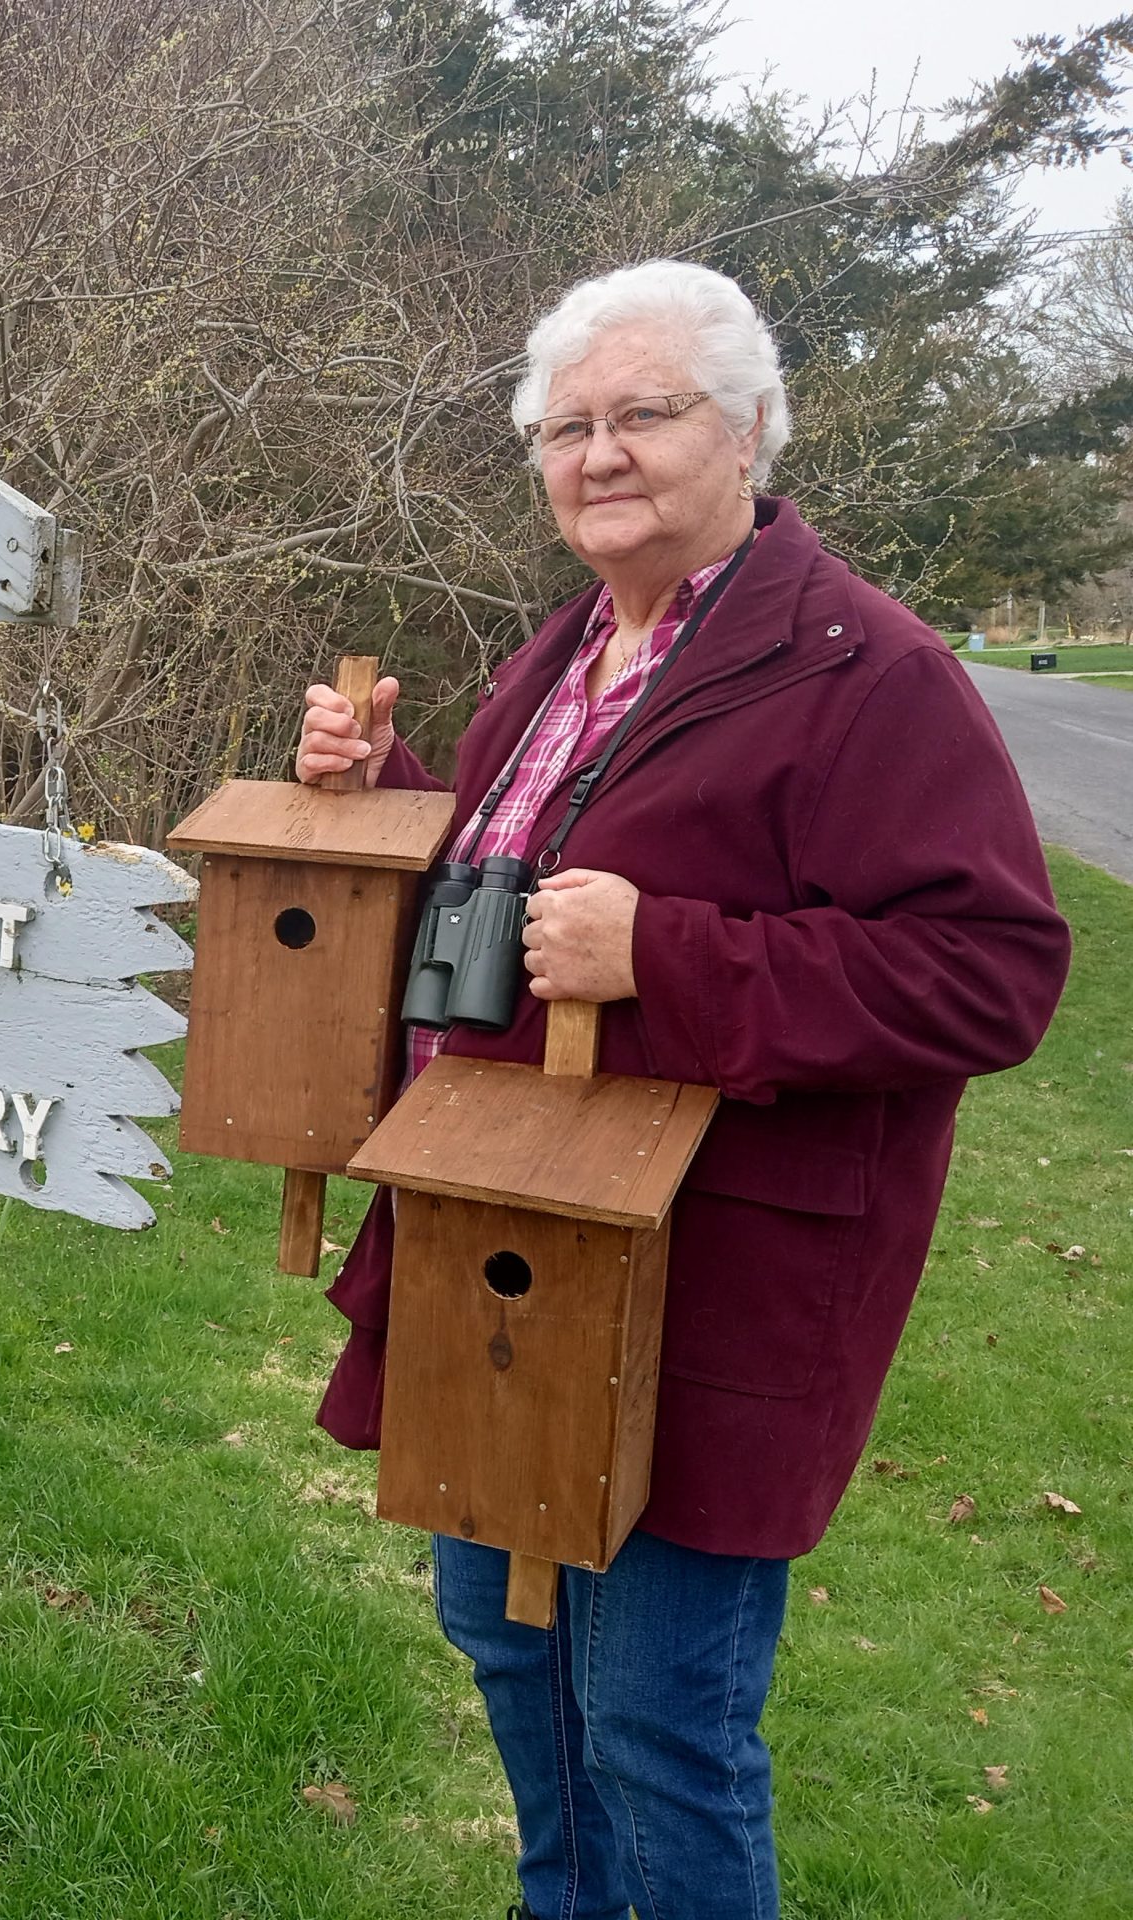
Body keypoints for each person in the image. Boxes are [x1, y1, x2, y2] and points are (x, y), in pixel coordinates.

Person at [295, 259, 1069, 1920]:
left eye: (644, 414)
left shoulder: (862, 670)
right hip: (510, 1245)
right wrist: (396, 796)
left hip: (704, 1285)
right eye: (566, 426)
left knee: (656, 1721)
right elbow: (526, 897)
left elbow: (994, 969)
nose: (600, 454)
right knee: (510, 1646)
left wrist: (681, 960)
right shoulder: (572, 656)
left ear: (751, 431)